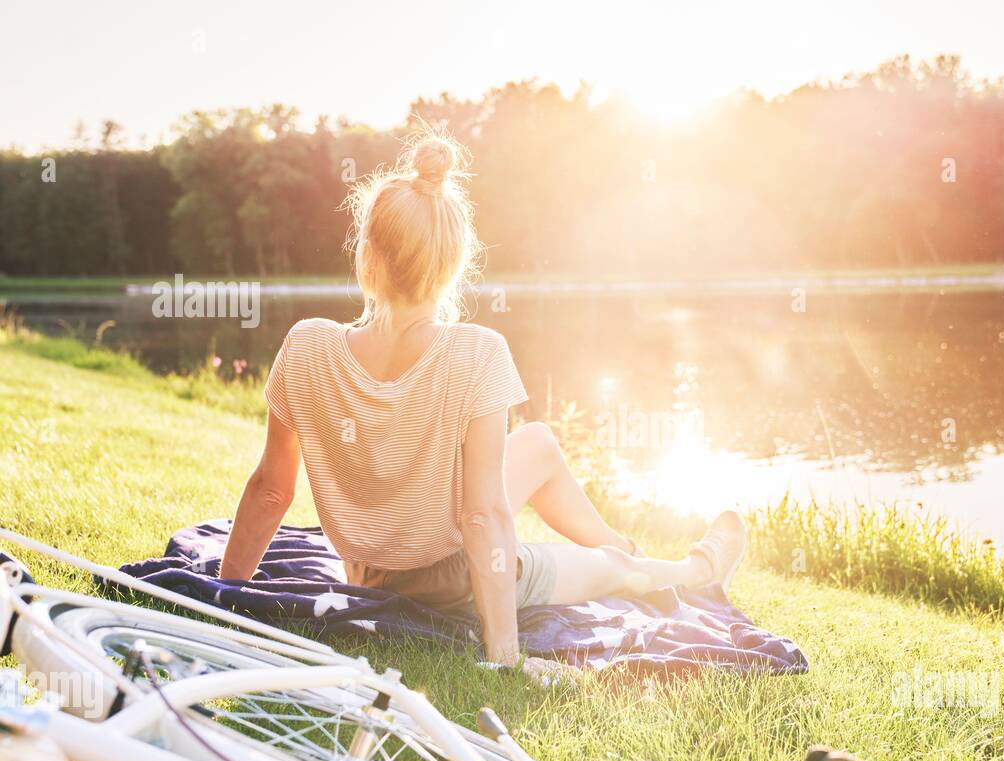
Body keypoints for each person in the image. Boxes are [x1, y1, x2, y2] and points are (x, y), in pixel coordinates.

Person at [219, 127, 745, 667]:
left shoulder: (306, 344)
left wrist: (225, 594)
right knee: (615, 574)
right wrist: (505, 654)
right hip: (452, 581)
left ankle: (623, 545)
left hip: (366, 569)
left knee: (538, 442)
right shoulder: (476, 353)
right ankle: (696, 572)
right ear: (453, 264)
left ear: (367, 257)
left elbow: (269, 491)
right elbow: (483, 516)